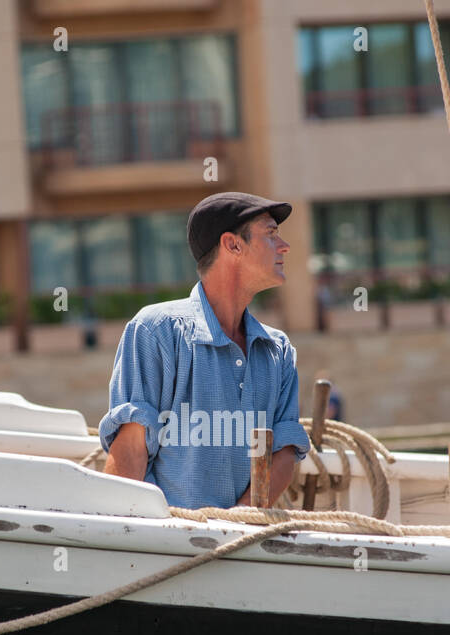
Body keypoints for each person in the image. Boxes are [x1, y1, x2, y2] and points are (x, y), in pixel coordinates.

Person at [98, 191, 310, 508]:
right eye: (271, 234)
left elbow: (283, 451)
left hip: (241, 544)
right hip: (167, 543)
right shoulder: (155, 330)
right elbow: (130, 449)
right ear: (232, 245)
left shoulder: (278, 349)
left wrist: (239, 521)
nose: (284, 246)